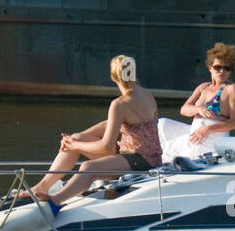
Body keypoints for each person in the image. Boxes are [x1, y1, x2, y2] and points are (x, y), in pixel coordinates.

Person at [26, 54, 161, 205]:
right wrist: (76, 138)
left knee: (88, 167)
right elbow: (109, 124)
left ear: (113, 77)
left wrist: (75, 146)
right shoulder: (147, 94)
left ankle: (55, 200)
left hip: (141, 161)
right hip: (148, 157)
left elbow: (106, 146)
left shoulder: (119, 104)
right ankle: (42, 186)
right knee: (76, 138)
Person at [161, 42, 235, 160]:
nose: (222, 71)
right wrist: (198, 109)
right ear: (210, 67)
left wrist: (207, 130)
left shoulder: (232, 89)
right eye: (218, 67)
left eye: (227, 68)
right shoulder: (203, 87)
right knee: (162, 125)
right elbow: (184, 110)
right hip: (195, 135)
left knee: (173, 159)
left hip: (212, 139)